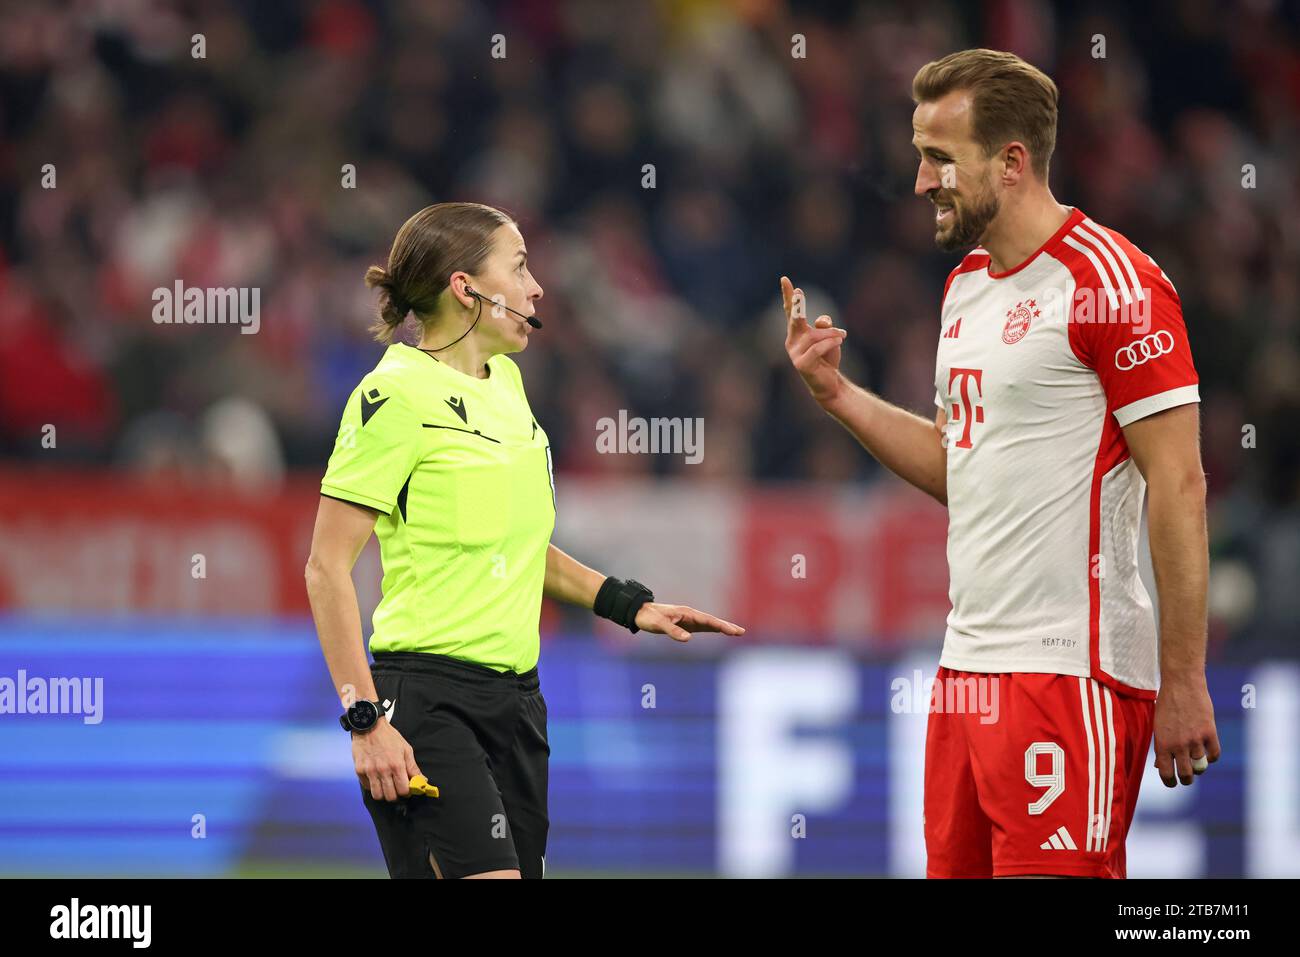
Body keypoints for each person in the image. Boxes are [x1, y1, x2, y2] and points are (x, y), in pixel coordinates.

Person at [781, 49, 1219, 878]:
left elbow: (1182, 482)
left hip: (1069, 674)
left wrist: (1184, 677)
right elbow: (964, 471)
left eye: (940, 158)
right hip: (965, 674)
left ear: (1012, 163)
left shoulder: (1114, 285)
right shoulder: (968, 287)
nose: (919, 182)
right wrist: (839, 396)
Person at [305, 201, 745, 879]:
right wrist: (365, 719)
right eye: (519, 266)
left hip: (517, 707)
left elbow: (518, 550)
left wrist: (629, 605)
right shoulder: (392, 396)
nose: (537, 287)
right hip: (427, 699)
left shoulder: (509, 386)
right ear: (466, 289)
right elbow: (327, 567)